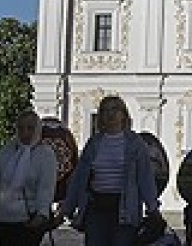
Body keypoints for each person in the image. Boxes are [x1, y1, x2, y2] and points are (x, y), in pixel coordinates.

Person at [60, 95, 161, 246]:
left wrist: (153, 207)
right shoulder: (94, 143)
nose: (110, 114)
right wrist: (67, 207)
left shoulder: (135, 144)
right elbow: (80, 177)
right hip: (97, 205)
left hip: (125, 206)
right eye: (105, 110)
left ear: (123, 115)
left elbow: (144, 177)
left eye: (115, 109)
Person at [0, 111, 58, 246]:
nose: (25, 133)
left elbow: (46, 188)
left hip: (28, 220)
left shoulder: (45, 154)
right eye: (20, 128)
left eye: (30, 128)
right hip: (3, 219)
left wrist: (42, 215)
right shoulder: (8, 151)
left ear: (38, 129)